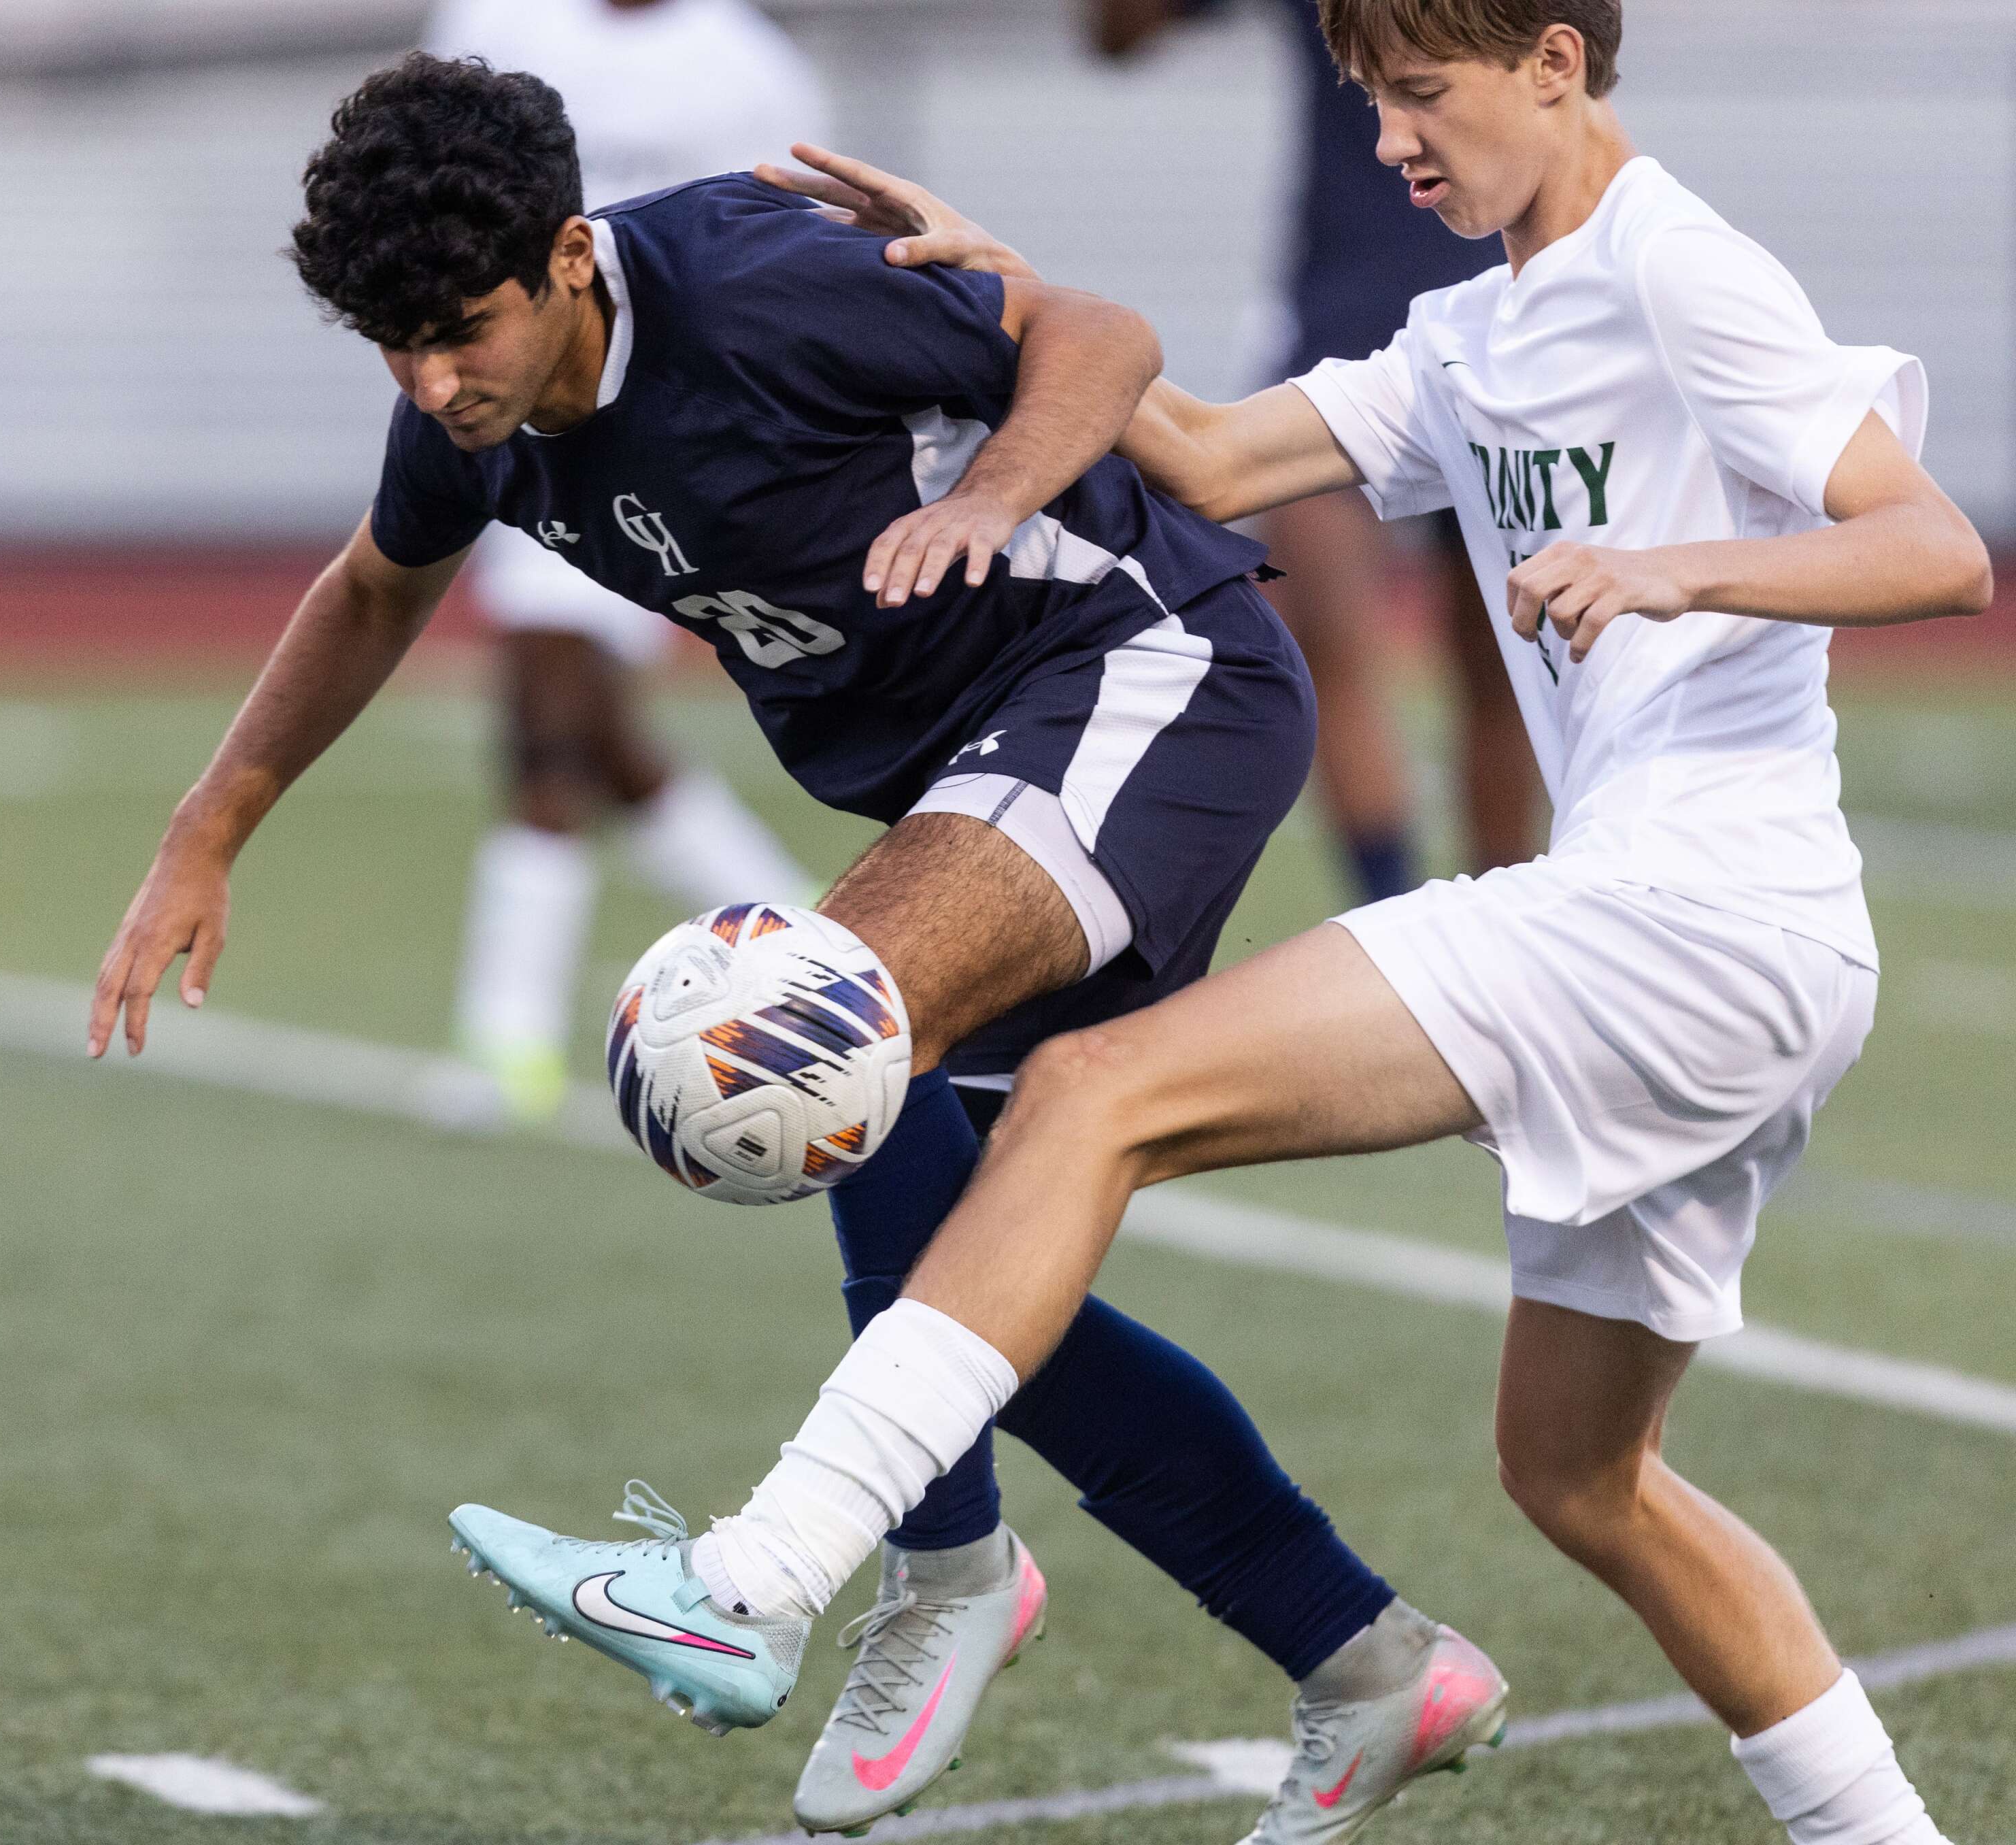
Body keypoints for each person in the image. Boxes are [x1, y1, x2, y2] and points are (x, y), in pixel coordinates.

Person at [460, 5, 1994, 1844]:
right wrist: (997, 287)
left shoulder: (1678, 268)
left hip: (1690, 910)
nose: (1393, 145)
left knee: (1090, 1097)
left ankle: (762, 1574)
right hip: (1728, 960)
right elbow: (1193, 453)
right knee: (1582, 1480)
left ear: (1562, 70)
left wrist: (1676, 567)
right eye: (1371, 104)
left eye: (1426, 97)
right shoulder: (1472, 330)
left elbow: (1934, 551)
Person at [90, 54, 1502, 1842]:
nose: (430, 382)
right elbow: (380, 584)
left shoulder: (756, 284)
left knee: (786, 1023)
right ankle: (1366, 1662)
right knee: (982, 1291)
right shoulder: (466, 406)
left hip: (1147, 685)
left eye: (458, 329)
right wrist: (204, 831)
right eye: (390, 344)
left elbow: (1101, 333)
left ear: (570, 259)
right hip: (979, 772)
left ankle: (841, 1581)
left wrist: (996, 494)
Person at [423, 0, 828, 1125]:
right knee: (592, 737)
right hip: (519, 423)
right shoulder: (495, 23)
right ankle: (809, 949)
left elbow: (798, 242)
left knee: (546, 725)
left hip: (657, 438)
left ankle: (506, 1045)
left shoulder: (749, 65)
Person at [1085, 0, 1540, 901]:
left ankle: (1511, 932)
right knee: (1322, 643)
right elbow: (1117, 33)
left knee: (1507, 658)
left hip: (1498, 311)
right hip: (1344, 315)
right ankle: (1397, 920)